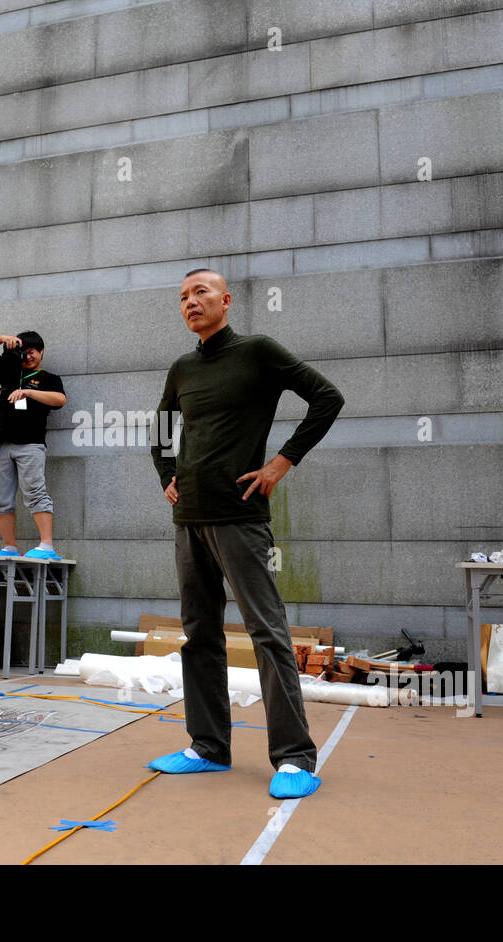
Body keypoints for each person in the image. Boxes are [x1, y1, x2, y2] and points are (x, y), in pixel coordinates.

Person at [148, 268, 344, 799]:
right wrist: (168, 475)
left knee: (267, 632)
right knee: (200, 634)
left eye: (201, 292)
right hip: (188, 519)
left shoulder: (258, 351)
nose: (191, 302)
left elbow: (327, 398)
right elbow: (162, 431)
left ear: (226, 301)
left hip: (240, 516)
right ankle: (208, 747)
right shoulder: (183, 367)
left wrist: (280, 464)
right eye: (184, 296)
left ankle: (294, 758)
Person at [0, 331, 67, 559]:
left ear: (41, 352)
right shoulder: (8, 370)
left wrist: (29, 392)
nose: (28, 357)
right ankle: (9, 547)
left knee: (35, 492)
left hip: (30, 444)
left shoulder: (48, 378)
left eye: (32, 352)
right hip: (0, 444)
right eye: (24, 353)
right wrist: (2, 339)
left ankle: (47, 546)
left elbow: (60, 400)